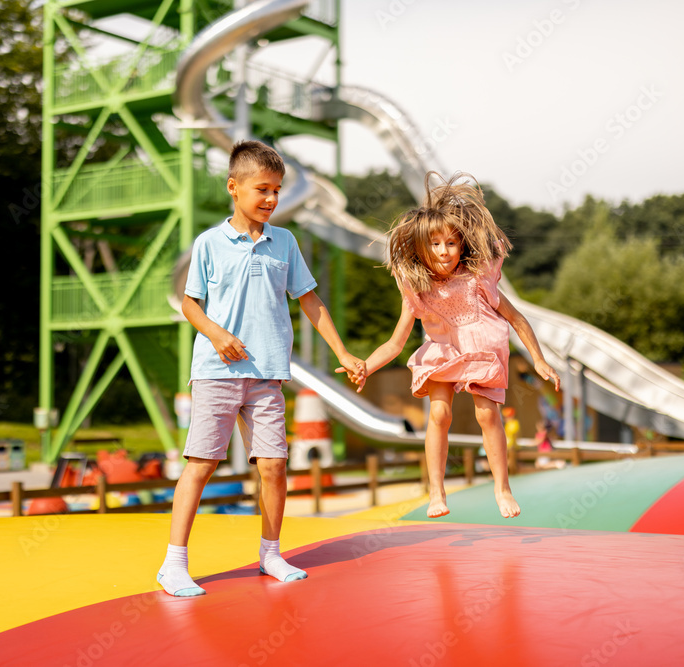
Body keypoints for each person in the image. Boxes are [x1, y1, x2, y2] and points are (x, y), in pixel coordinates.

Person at [157, 140, 365, 597]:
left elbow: (309, 298)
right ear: (234, 188)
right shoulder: (209, 243)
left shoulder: (285, 242)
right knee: (202, 463)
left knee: (273, 466)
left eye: (277, 190)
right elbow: (189, 303)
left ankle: (271, 553)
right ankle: (174, 563)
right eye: (262, 189)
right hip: (216, 371)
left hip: (268, 372)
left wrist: (344, 353)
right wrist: (215, 333)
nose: (271, 199)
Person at [357, 172, 561, 519]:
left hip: (481, 349)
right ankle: (436, 491)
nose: (444, 251)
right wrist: (366, 365)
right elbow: (395, 343)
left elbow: (517, 319)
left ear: (462, 245)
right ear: (422, 247)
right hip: (442, 352)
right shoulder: (417, 290)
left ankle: (503, 488)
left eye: (451, 243)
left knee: (487, 414)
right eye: (435, 244)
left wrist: (539, 360)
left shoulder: (477, 280)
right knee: (439, 413)